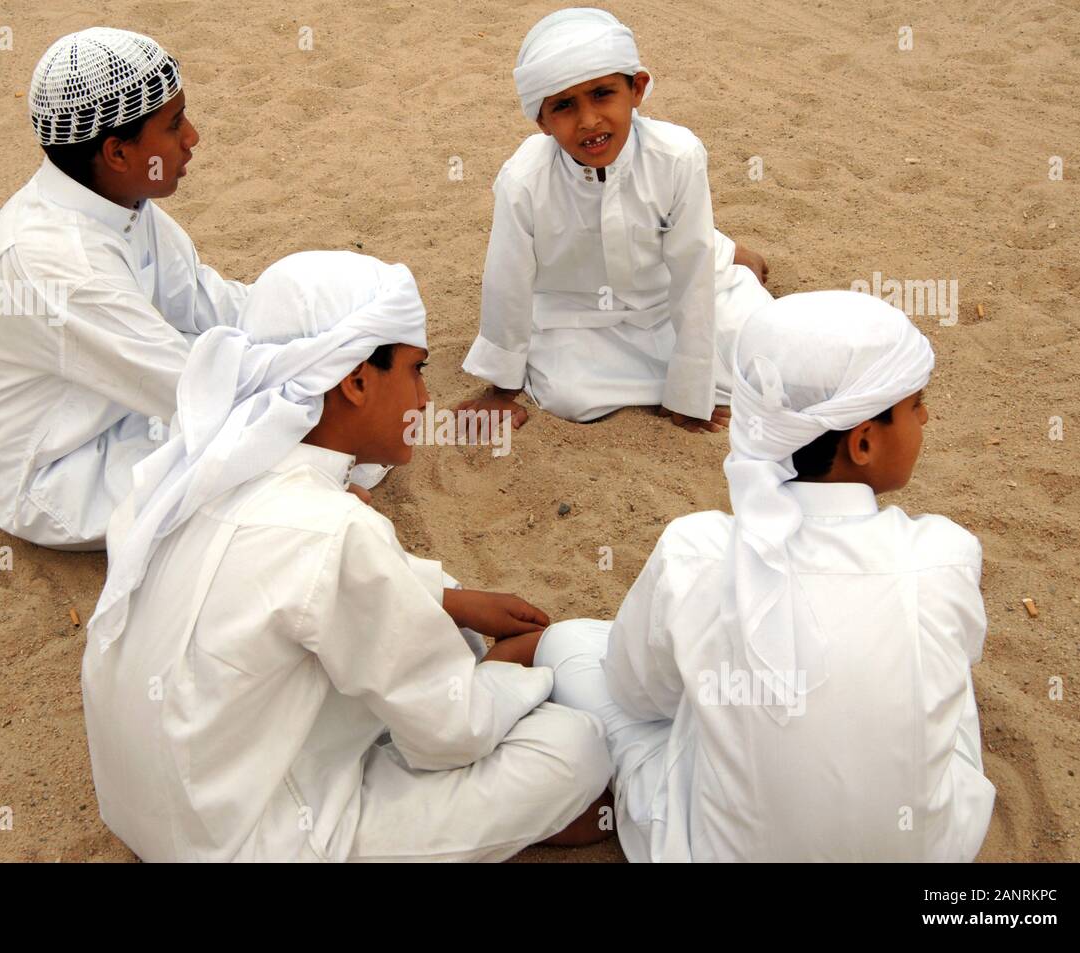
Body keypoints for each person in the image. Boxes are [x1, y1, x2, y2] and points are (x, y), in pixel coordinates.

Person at [81, 251, 612, 862]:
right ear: (357, 381)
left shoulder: (178, 480)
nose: (424, 398)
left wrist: (446, 599)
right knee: (572, 749)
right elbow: (453, 734)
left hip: (157, 810)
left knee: (415, 639)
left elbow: (308, 585)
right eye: (416, 371)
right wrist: (511, 669)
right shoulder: (333, 528)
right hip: (255, 840)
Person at [533, 290, 996, 861]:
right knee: (943, 680)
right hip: (931, 854)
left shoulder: (696, 550)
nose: (924, 417)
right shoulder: (946, 554)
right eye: (915, 404)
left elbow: (638, 696)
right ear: (863, 441)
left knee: (571, 644)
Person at [0, 28, 388, 550]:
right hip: (63, 473)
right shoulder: (62, 266)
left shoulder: (116, 200)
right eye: (174, 124)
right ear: (117, 152)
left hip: (121, 401)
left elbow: (205, 303)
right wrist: (321, 447)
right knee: (323, 451)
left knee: (336, 324)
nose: (192, 137)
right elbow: (192, 392)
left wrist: (328, 327)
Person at [457, 8, 771, 434]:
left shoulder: (677, 155)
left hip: (667, 292)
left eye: (602, 94)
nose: (589, 121)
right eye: (564, 106)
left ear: (636, 89)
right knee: (568, 396)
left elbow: (691, 272)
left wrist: (689, 391)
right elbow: (506, 283)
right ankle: (726, 251)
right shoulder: (523, 181)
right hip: (582, 313)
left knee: (761, 356)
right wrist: (502, 389)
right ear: (542, 121)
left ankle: (728, 253)